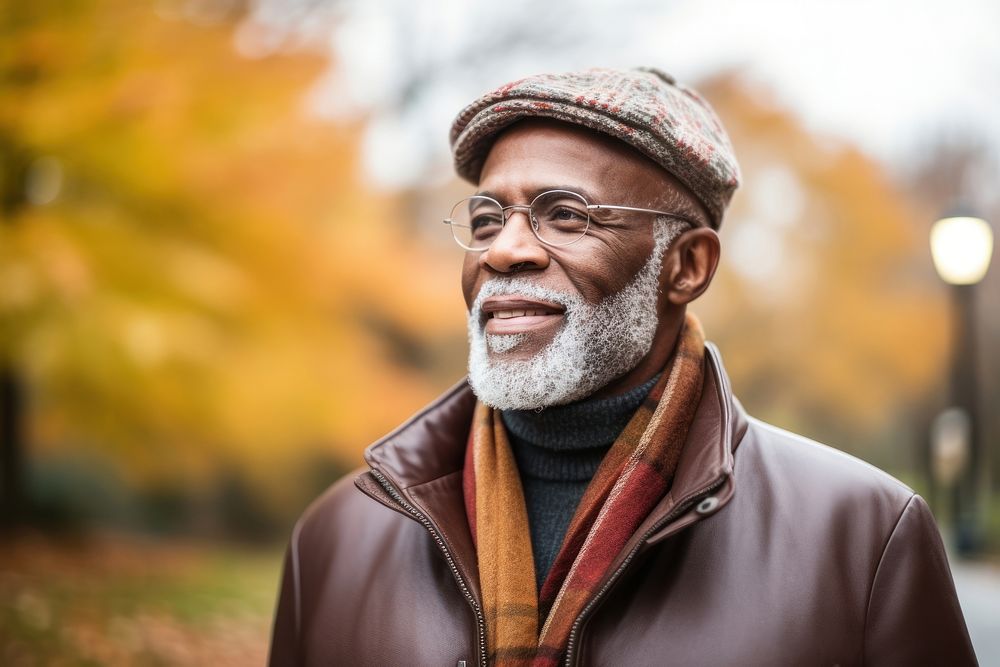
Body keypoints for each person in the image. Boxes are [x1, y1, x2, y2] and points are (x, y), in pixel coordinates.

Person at [268, 67, 976, 666]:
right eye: (487, 218)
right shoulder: (334, 537)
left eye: (566, 215)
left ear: (686, 266)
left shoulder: (864, 540)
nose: (503, 250)